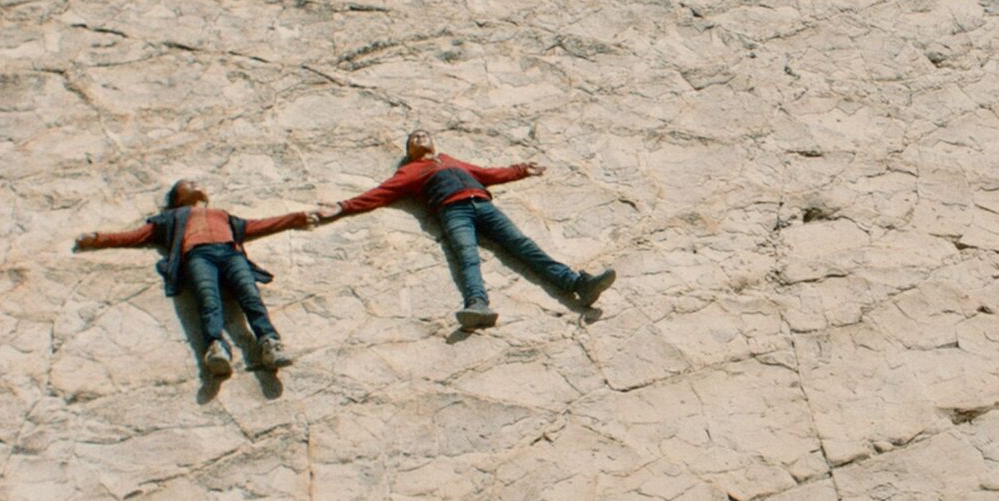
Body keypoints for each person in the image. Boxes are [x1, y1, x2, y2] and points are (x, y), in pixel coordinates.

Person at [315, 131, 614, 328]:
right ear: (409, 151)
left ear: (434, 143)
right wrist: (343, 206)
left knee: (523, 245)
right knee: (466, 256)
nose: (420, 137)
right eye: (414, 138)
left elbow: (487, 174)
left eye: (424, 134)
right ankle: (477, 306)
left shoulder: (449, 161)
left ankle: (578, 285)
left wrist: (522, 169)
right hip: (453, 211)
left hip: (484, 205)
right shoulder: (408, 172)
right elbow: (381, 193)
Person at [73, 180, 315, 376]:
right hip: (198, 256)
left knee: (251, 295)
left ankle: (269, 343)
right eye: (187, 184)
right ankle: (216, 347)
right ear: (177, 198)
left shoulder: (221, 214)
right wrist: (98, 238)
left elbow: (259, 225)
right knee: (208, 299)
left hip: (231, 252)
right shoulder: (172, 218)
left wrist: (297, 217)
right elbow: (136, 236)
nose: (194, 183)